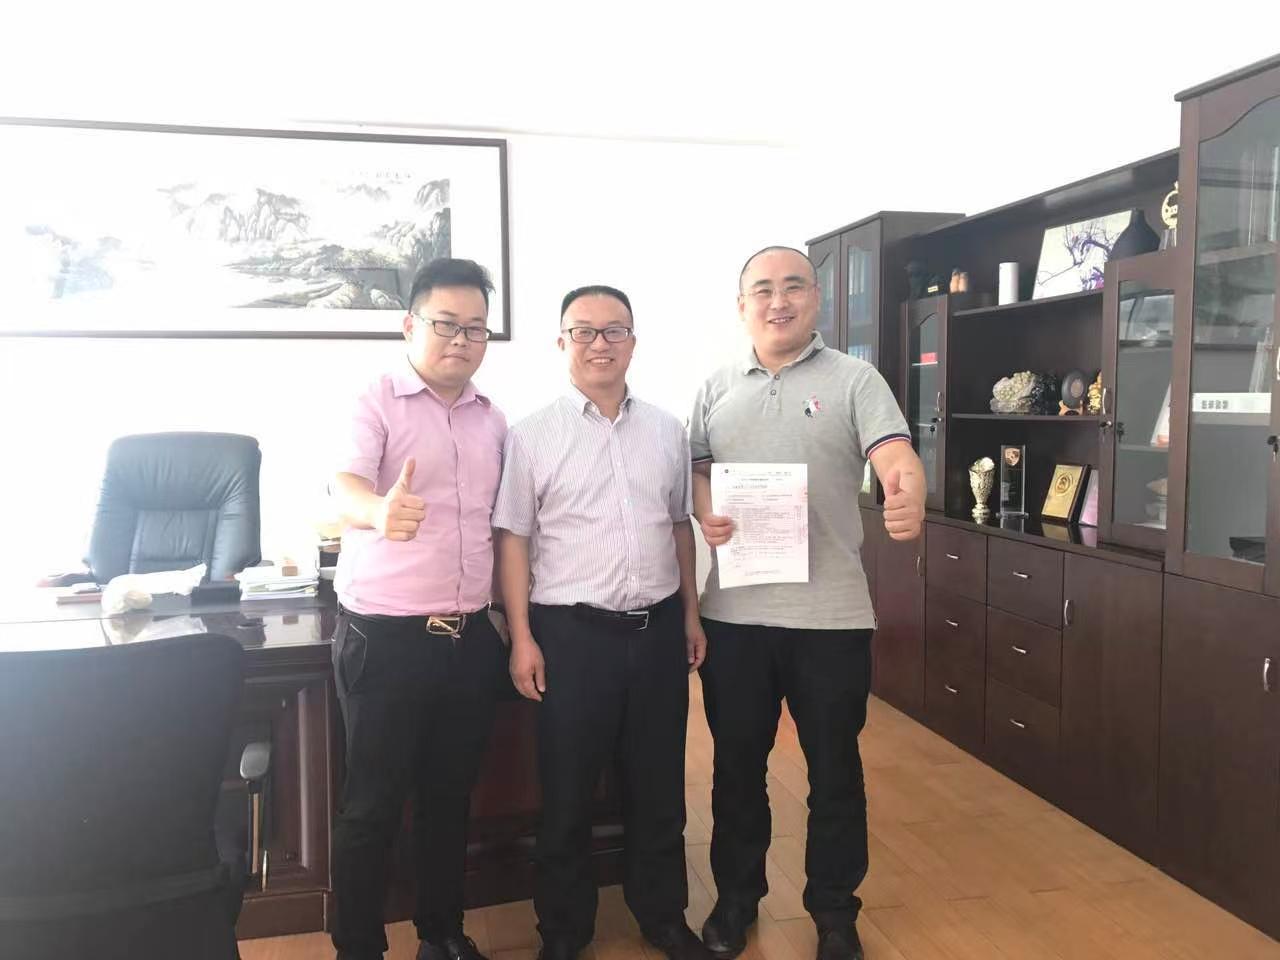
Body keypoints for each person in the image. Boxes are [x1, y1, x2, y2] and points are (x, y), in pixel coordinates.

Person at [689, 247, 925, 960]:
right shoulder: (716, 386)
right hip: (735, 618)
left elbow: (895, 455)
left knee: (835, 773)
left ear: (816, 298)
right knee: (737, 770)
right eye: (762, 289)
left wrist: (907, 490)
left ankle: (834, 915)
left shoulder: (856, 379)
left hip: (831, 620)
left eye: (793, 286)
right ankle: (736, 901)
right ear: (742, 306)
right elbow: (698, 471)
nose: (778, 300)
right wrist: (706, 511)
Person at [493, 285, 710, 960]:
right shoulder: (531, 436)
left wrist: (690, 613)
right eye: (583, 331)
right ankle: (563, 931)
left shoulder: (667, 430)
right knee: (566, 792)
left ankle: (663, 917)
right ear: (562, 343)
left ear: (633, 342)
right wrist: (522, 637)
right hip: (571, 637)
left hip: (656, 632)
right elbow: (513, 539)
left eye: (614, 330)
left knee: (659, 786)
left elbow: (678, 526)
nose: (599, 344)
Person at [329, 258, 509, 960]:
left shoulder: (492, 420)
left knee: (449, 798)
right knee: (371, 806)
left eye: (476, 328)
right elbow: (344, 486)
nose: (462, 339)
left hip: (468, 638)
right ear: (410, 325)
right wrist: (378, 510)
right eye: (446, 324)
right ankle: (358, 947)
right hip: (386, 640)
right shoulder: (374, 399)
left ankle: (442, 935)